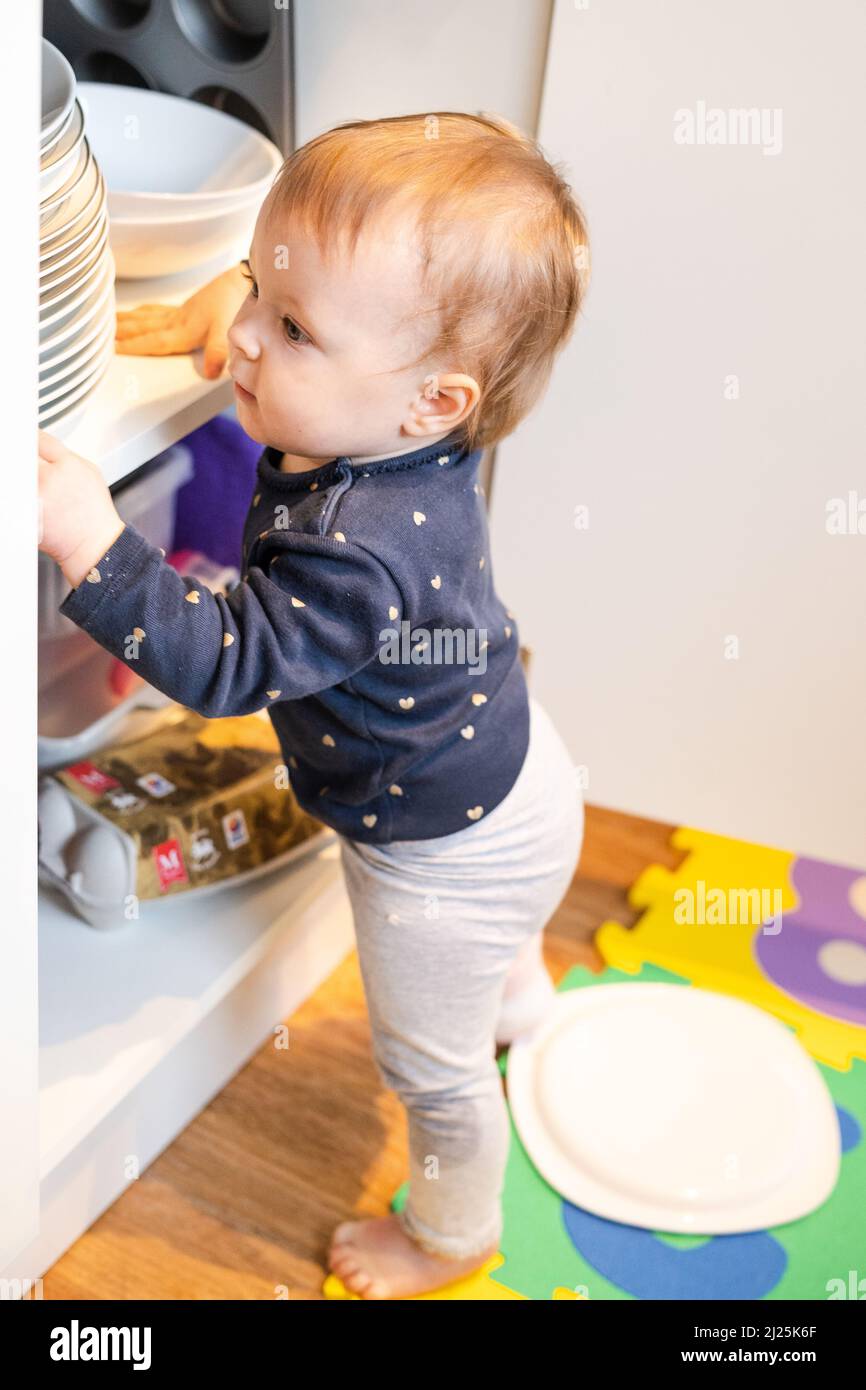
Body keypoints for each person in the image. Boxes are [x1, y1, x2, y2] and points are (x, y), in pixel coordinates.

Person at [38, 111, 590, 1299]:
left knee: (430, 1068)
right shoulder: (407, 431)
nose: (246, 332)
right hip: (516, 775)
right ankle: (518, 995)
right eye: (257, 284)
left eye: (290, 328)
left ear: (431, 399)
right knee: (491, 956)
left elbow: (229, 663)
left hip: (438, 857)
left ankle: (450, 1233)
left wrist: (94, 544)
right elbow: (322, 347)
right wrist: (252, 320)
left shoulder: (354, 552)